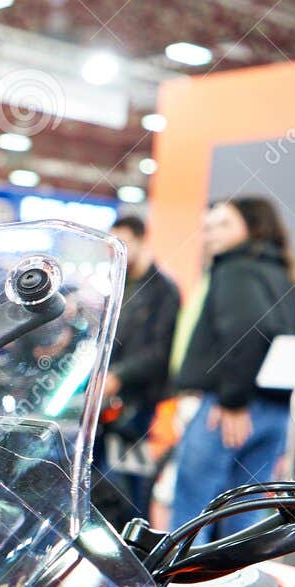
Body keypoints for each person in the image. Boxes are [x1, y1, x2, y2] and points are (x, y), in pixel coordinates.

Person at [168, 196, 295, 540]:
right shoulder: (287, 274)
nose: (211, 234)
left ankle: (185, 575)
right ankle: (240, 575)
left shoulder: (234, 268)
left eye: (223, 225)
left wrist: (233, 400)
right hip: (275, 411)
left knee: (192, 513)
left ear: (253, 227)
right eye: (208, 227)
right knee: (246, 517)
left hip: (230, 410)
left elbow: (248, 329)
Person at [102, 215, 181, 513]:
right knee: (106, 475)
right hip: (108, 400)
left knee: (130, 479)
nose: (116, 250)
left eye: (123, 242)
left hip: (139, 401)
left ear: (140, 240)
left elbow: (160, 352)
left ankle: (135, 529)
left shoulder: (164, 290)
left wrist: (119, 375)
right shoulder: (118, 285)